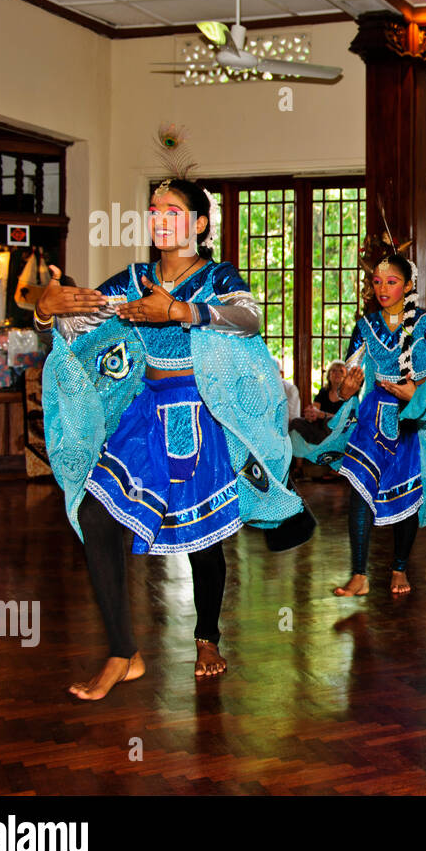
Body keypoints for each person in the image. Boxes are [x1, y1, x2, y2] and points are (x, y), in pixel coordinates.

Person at [35, 177, 302, 700]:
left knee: (203, 543)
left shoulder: (217, 275)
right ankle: (122, 652)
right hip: (143, 417)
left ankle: (206, 637)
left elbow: (250, 319)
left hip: (203, 416)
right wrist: (47, 310)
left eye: (173, 211)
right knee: (94, 515)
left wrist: (180, 311)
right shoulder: (133, 279)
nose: (159, 219)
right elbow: (78, 326)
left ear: (200, 224)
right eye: (153, 210)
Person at [324, 250, 426, 597]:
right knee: (359, 491)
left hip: (412, 418)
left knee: (409, 494)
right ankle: (359, 575)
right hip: (371, 418)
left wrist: (418, 393)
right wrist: (345, 389)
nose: (382, 288)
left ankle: (399, 567)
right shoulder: (365, 326)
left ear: (409, 285)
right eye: (377, 281)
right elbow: (344, 383)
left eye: (392, 282)